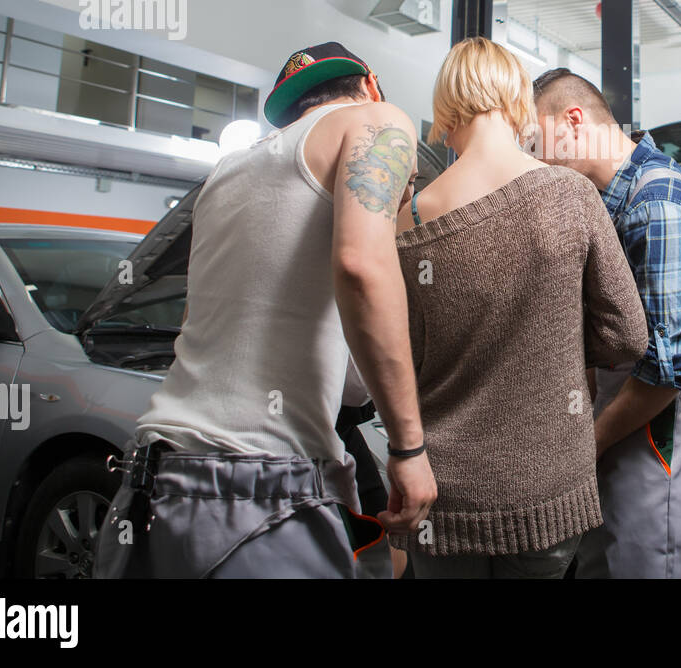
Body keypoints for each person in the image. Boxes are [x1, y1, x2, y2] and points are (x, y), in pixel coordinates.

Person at [94, 42, 436, 579]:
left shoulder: (227, 173)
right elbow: (362, 268)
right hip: (259, 493)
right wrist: (409, 449)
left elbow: (345, 383)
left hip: (155, 483)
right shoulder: (376, 119)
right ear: (370, 83)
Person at [390, 38, 648, 578]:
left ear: (445, 107)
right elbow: (627, 336)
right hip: (547, 482)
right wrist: (560, 345)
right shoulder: (570, 194)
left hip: (442, 487)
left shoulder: (410, 219)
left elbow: (404, 358)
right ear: (517, 102)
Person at [531, 68, 681, 579]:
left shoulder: (657, 204)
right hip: (625, 424)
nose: (532, 162)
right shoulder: (613, 203)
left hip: (658, 432)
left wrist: (586, 446)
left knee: (654, 562)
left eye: (534, 143)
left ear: (572, 122)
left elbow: (666, 372)